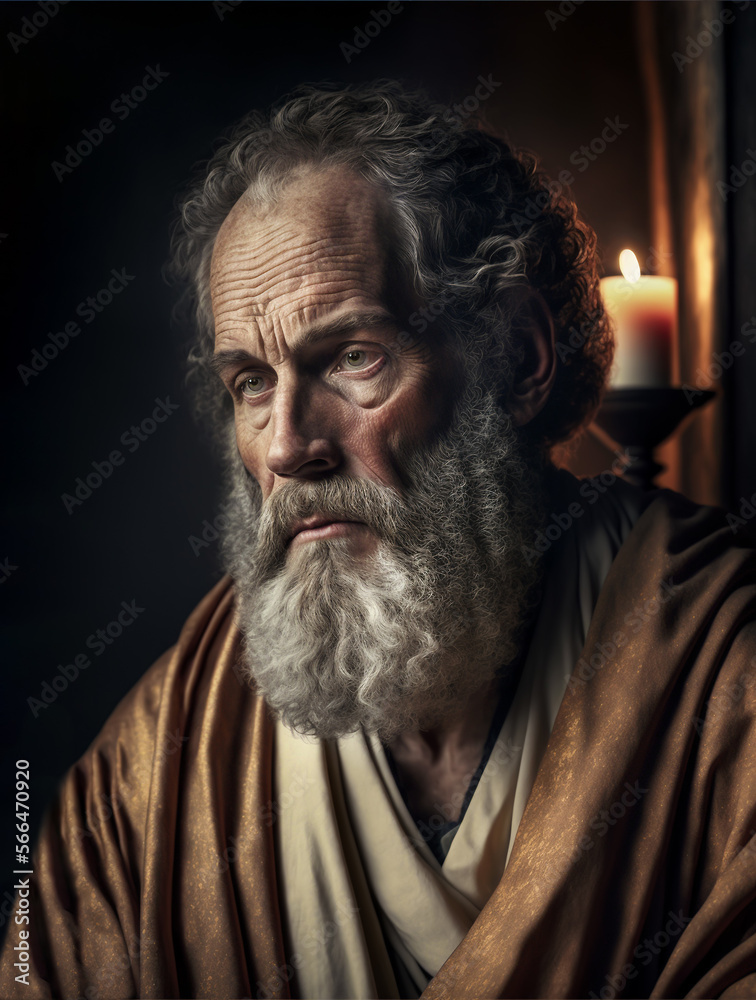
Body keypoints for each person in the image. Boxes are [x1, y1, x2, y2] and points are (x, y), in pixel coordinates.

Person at [3, 80, 756, 1000]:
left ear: (518, 360)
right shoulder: (173, 750)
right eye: (249, 382)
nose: (286, 445)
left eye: (352, 356)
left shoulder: (721, 662)